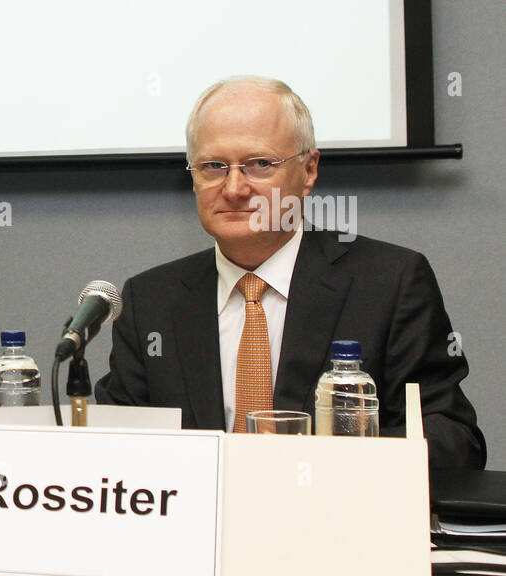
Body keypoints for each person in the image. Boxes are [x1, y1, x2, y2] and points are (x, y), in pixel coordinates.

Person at [94, 77, 485, 468]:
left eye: (260, 164)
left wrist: (333, 462)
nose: (233, 188)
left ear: (309, 170)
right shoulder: (150, 300)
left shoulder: (390, 283)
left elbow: (454, 438)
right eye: (213, 166)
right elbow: (115, 448)